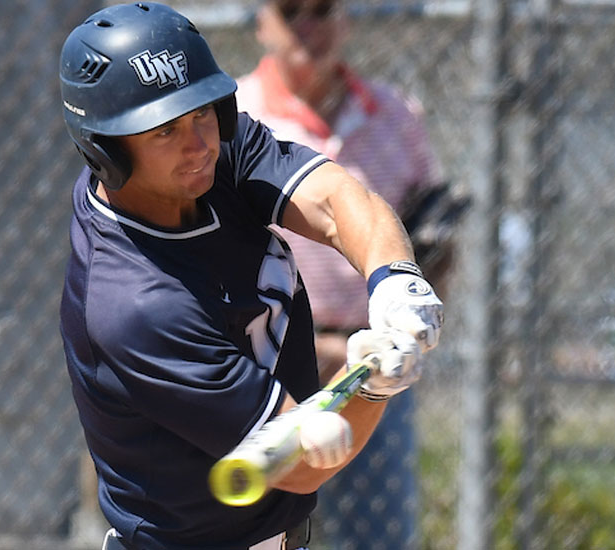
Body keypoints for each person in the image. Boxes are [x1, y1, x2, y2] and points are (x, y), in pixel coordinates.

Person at [58, 3, 443, 549]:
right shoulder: (136, 307)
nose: (197, 143)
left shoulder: (211, 154)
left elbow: (336, 203)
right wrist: (376, 383)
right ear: (107, 151)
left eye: (201, 114)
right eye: (164, 131)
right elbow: (303, 463)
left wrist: (395, 279)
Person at [235, 1, 465, 546]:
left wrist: (409, 321)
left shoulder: (396, 113)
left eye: (323, 9)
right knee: (267, 531)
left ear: (347, 18)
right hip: (268, 365)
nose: (309, 27)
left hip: (371, 363)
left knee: (377, 536)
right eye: (292, 12)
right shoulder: (237, 116)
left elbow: (430, 238)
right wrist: (315, 347)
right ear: (261, 23)